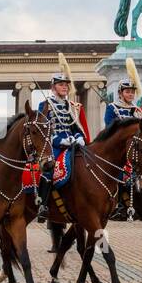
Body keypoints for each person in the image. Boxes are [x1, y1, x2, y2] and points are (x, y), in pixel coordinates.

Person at [35, 69, 87, 222]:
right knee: (50, 168)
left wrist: (79, 138)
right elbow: (42, 130)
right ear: (53, 87)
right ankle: (42, 205)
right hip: (55, 146)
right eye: (61, 84)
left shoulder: (71, 106)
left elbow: (75, 127)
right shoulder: (45, 104)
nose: (65, 87)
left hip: (73, 144)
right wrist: (59, 141)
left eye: (66, 85)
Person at [104, 76, 142, 221]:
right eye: (127, 92)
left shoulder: (138, 111)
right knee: (120, 176)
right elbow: (109, 129)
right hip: (118, 149)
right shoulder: (112, 108)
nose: (130, 94)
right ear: (120, 93)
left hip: (134, 150)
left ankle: (140, 207)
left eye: (132, 92)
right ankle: (119, 206)